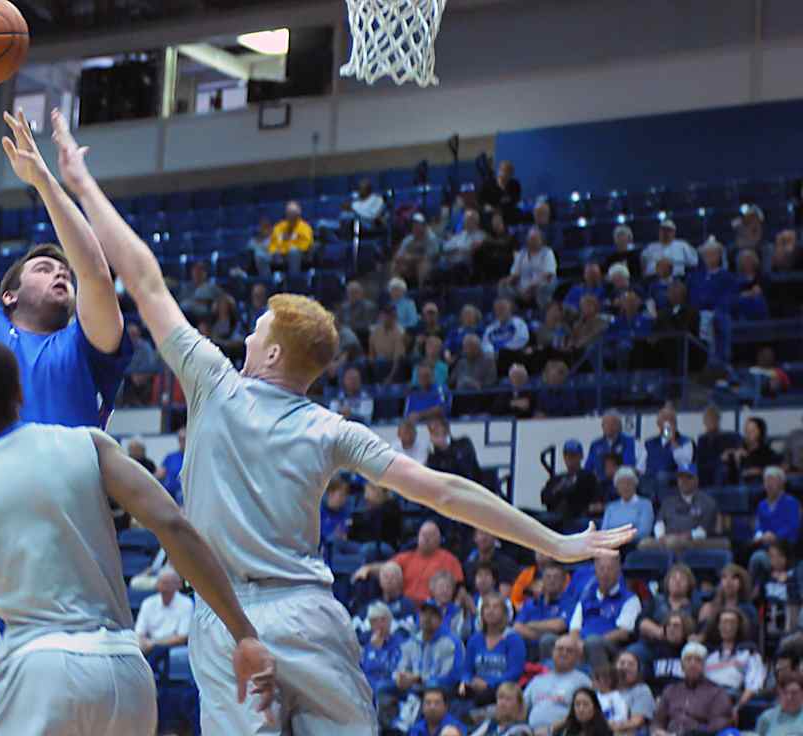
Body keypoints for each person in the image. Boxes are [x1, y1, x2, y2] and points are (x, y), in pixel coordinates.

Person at [51, 109, 631, 735]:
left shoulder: (215, 384)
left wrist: (81, 182)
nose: (245, 337)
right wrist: (552, 542)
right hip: (307, 614)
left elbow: (142, 276)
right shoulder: (333, 429)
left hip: (228, 620)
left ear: (272, 354)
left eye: (255, 332)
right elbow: (446, 491)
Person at [0, 334, 274, 734]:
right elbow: (173, 525)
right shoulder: (86, 444)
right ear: (20, 389)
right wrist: (244, 634)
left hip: (39, 670)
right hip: (125, 672)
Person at [355, 521, 464, 605]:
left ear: (439, 539)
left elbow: (460, 588)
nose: (426, 539)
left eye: (430, 535)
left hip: (432, 608)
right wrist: (368, 568)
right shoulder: (407, 557)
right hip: (406, 607)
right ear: (418, 537)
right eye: (423, 535)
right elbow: (387, 567)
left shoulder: (450, 560)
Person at [568, 555, 640, 666]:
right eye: (601, 568)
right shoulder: (586, 597)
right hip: (581, 644)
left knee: (593, 642)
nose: (605, 573)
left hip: (612, 647)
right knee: (550, 640)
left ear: (618, 571)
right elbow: (574, 628)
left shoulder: (629, 599)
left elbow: (623, 633)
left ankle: (597, 680)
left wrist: (587, 643)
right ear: (595, 571)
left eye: (610, 568)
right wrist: (576, 643)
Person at [652, 642, 734, 736]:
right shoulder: (671, 690)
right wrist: (657, 731)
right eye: (688, 659)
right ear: (682, 666)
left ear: (704, 666)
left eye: (698, 660)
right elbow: (658, 720)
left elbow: (718, 726)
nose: (693, 664)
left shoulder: (717, 693)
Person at [639, 464, 726, 552]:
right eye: (681, 478)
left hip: (695, 541)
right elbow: (659, 523)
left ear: (696, 480)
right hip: (667, 540)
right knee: (644, 543)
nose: (684, 481)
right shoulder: (668, 501)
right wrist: (661, 537)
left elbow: (703, 531)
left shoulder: (707, 502)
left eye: (688, 477)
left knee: (674, 543)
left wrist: (682, 537)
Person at [461, 593, 525, 706]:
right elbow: (467, 669)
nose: (491, 611)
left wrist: (489, 684)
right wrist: (467, 681)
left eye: (496, 607)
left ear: (504, 613)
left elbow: (515, 672)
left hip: (501, 689)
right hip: (476, 687)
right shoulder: (474, 639)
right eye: (487, 607)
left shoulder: (514, 639)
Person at [703, 608, 766, 720]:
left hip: (730, 698)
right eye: (724, 622)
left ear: (738, 626)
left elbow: (753, 684)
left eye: (732, 622)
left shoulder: (749, 653)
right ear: (718, 626)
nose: (727, 626)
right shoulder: (709, 656)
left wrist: (737, 707)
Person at [524, 636, 592, 735]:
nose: (563, 653)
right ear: (553, 652)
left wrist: (551, 729)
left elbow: (583, 713)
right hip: (531, 731)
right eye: (560, 649)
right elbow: (521, 708)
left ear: (577, 656)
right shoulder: (538, 680)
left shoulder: (583, 681)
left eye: (569, 651)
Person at [514, 560, 573, 661]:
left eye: (556, 577)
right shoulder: (532, 602)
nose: (551, 581)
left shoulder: (569, 601)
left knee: (547, 640)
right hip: (530, 646)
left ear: (564, 581)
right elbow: (517, 626)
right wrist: (538, 635)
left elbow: (559, 625)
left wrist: (531, 624)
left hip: (555, 647)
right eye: (548, 577)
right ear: (543, 579)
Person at [135, 567, 193, 661]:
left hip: (172, 647)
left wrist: (154, 643)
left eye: (169, 583)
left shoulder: (186, 604)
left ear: (178, 585)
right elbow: (139, 632)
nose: (165, 587)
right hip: (149, 645)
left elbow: (182, 637)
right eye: (163, 583)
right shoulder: (148, 603)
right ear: (157, 584)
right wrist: (143, 643)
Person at [541, 440, 599, 532]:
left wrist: (566, 488)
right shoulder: (557, 478)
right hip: (555, 517)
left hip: (576, 518)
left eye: (574, 456)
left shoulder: (588, 477)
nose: (570, 459)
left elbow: (581, 496)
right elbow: (544, 498)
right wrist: (557, 490)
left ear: (581, 457)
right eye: (567, 456)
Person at [361, 600, 406, 696]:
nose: (379, 624)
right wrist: (374, 649)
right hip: (368, 689)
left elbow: (391, 670)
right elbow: (366, 670)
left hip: (390, 689)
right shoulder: (368, 646)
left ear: (390, 620)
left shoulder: (400, 643)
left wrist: (378, 652)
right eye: (374, 621)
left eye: (383, 619)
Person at [601, 467, 654, 542]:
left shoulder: (645, 504)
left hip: (634, 543)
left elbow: (644, 532)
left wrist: (621, 538)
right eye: (621, 483)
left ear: (635, 485)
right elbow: (604, 531)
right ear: (617, 487)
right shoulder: (611, 507)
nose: (625, 487)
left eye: (629, 483)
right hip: (611, 543)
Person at [724, 416, 782, 483]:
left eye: (752, 431)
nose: (747, 434)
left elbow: (774, 471)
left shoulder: (768, 453)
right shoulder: (737, 451)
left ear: (760, 432)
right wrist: (732, 460)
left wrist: (759, 471)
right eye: (746, 430)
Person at [585, 411, 637, 480]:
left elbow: (628, 464)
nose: (609, 426)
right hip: (600, 482)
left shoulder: (629, 442)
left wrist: (615, 470)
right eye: (606, 424)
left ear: (620, 425)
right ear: (602, 426)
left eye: (613, 423)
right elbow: (588, 467)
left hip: (620, 481)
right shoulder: (595, 444)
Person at [614, 650, 656, 736]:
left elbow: (636, 722)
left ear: (638, 670)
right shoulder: (606, 689)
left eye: (631, 664)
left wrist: (611, 726)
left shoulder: (642, 690)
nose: (625, 667)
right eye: (622, 663)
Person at [269, 200, 314, 274]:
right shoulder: (279, 227)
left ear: (298, 215)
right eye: (289, 214)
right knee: (261, 255)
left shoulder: (305, 228)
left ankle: (294, 280)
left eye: (293, 215)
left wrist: (285, 247)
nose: (291, 217)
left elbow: (304, 246)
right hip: (280, 255)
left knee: (293, 252)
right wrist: (276, 251)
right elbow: (273, 244)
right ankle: (269, 281)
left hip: (300, 255)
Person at [755, 672, 803, 736]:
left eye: (794, 693)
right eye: (785, 693)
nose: (789, 697)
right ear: (779, 694)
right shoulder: (766, 717)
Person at [479, 160, 522, 226]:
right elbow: (481, 200)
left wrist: (505, 204)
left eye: (509, 172)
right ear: (499, 170)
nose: (506, 174)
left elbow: (516, 200)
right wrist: (487, 206)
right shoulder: (488, 184)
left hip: (508, 213)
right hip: (491, 213)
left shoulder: (515, 184)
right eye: (504, 171)